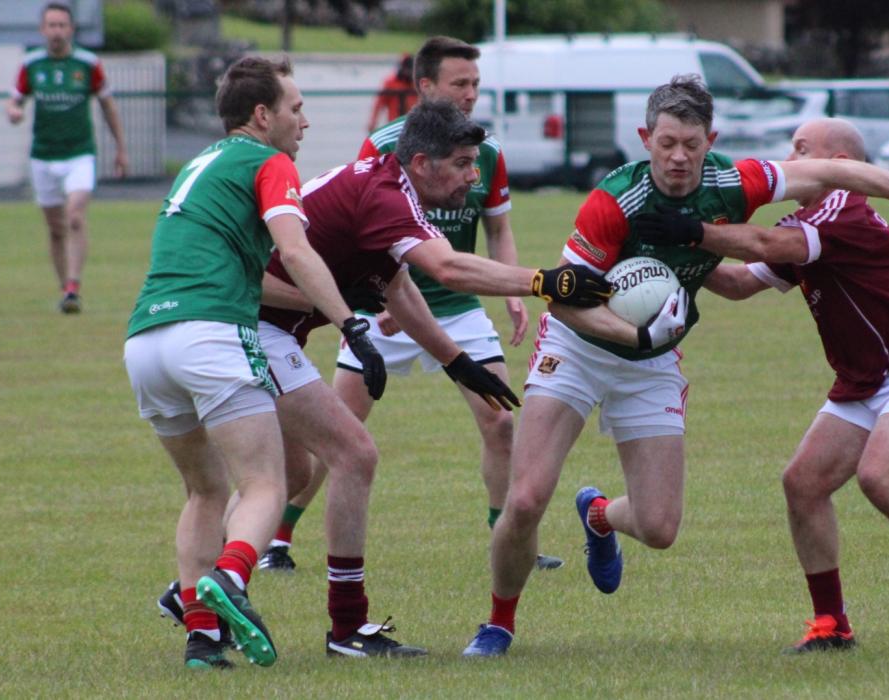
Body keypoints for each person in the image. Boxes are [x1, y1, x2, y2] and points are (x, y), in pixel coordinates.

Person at [461, 76, 889, 657]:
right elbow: (727, 284)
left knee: (666, 527)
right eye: (667, 142)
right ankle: (499, 623)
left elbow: (777, 239)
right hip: (581, 348)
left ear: (709, 140)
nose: (678, 156)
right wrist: (662, 288)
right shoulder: (614, 201)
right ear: (646, 138)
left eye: (691, 144)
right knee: (525, 501)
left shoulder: (811, 206)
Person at [156, 99, 616, 659]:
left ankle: (197, 591)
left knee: (293, 470)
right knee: (353, 454)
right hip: (251, 333)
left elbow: (399, 287)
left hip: (255, 332)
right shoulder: (385, 194)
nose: (475, 177)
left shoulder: (387, 186)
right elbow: (447, 268)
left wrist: (454, 360)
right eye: (465, 163)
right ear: (422, 162)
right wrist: (545, 281)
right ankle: (344, 627)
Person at [650, 117, 889, 653]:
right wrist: (668, 259)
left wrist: (690, 230)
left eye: (801, 148)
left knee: (879, 476)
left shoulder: (844, 210)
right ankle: (832, 624)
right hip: (864, 380)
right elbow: (742, 283)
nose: (791, 158)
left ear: (837, 165)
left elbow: (763, 242)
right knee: (803, 484)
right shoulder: (808, 222)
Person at [258, 35, 563, 575]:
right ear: (425, 88)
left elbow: (467, 244)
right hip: (344, 317)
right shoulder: (383, 161)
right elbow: (417, 259)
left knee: (493, 425)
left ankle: (508, 539)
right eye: (458, 83)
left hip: (446, 309)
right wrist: (544, 283)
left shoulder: (475, 153)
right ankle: (266, 552)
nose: (469, 94)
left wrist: (468, 346)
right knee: (334, 445)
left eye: (475, 83)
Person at [125, 56, 367, 670]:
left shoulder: (200, 163)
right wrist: (350, 323)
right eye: (296, 108)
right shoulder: (269, 162)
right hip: (211, 338)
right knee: (267, 483)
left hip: (147, 341)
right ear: (262, 116)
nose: (304, 122)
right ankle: (230, 580)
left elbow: (255, 278)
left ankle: (202, 641)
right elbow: (294, 248)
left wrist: (328, 302)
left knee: (203, 491)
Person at [7, 1, 128, 314]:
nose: (57, 31)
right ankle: (67, 292)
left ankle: (74, 284)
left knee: (74, 215)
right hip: (43, 155)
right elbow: (14, 101)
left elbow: (107, 106)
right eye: (52, 25)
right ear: (42, 29)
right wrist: (14, 111)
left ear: (71, 29)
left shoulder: (87, 64)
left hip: (79, 153)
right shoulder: (31, 64)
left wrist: (120, 148)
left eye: (62, 25)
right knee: (56, 228)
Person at [366, 54, 418, 132]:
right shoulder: (391, 82)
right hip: (394, 126)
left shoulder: (417, 83)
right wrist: (373, 121)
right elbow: (379, 104)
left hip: (415, 125)